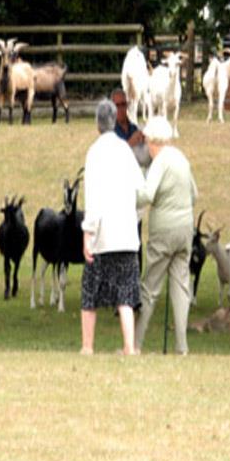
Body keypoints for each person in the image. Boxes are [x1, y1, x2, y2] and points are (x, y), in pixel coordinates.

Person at [80, 99, 145, 355]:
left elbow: (92, 197)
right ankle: (129, 346)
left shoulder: (94, 153)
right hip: (126, 234)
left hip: (103, 236)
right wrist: (134, 218)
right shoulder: (125, 151)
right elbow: (141, 191)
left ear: (97, 123)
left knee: (90, 293)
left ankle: (87, 346)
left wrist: (88, 232)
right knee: (125, 294)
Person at [133, 116, 198, 355]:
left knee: (150, 287)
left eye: (147, 141)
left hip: (164, 231)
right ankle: (182, 346)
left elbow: (148, 195)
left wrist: (132, 195)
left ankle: (135, 344)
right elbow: (194, 194)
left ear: (152, 141)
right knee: (181, 285)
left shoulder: (159, 161)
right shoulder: (181, 158)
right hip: (185, 229)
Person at [110, 88, 150, 168]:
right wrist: (130, 143)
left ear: (127, 105)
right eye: (117, 105)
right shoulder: (109, 133)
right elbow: (110, 159)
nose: (120, 109)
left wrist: (147, 141)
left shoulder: (134, 128)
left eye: (123, 104)